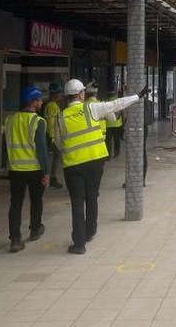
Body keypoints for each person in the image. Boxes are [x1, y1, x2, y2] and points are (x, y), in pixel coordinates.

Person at [53, 79, 147, 254]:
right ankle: (91, 231)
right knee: (92, 196)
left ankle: (79, 243)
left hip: (73, 165)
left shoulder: (60, 117)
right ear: (81, 94)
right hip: (95, 161)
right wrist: (137, 96)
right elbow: (116, 105)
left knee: (77, 201)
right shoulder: (91, 108)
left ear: (67, 97)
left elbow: (58, 143)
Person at [4, 86, 49, 253]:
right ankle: (35, 229)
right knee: (36, 200)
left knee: (15, 203)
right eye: (39, 100)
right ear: (33, 102)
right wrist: (46, 172)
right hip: (34, 169)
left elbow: (5, 146)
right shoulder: (38, 122)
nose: (41, 103)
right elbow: (42, 150)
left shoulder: (10, 120)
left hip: (15, 169)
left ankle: (15, 239)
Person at [42, 83, 64, 188]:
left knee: (54, 156)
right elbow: (51, 123)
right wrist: (52, 137)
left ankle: (49, 178)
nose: (61, 95)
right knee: (58, 155)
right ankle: (52, 178)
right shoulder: (52, 106)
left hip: (50, 136)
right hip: (51, 136)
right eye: (60, 93)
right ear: (55, 94)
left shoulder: (51, 104)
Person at [105, 91, 124, 159]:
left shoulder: (106, 102)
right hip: (118, 124)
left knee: (108, 141)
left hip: (108, 125)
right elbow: (122, 113)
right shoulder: (118, 102)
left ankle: (108, 155)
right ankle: (116, 153)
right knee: (116, 140)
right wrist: (123, 122)